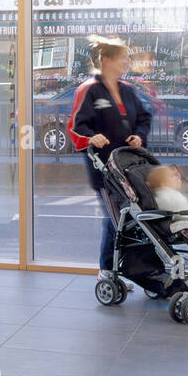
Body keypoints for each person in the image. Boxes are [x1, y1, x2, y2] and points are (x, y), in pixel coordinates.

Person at [68, 36, 152, 283]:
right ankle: (107, 269)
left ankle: (136, 268)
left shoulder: (127, 90)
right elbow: (76, 126)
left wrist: (139, 135)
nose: (127, 62)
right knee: (115, 217)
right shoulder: (89, 90)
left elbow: (144, 118)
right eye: (122, 58)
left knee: (133, 216)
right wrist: (92, 137)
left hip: (129, 166)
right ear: (106, 61)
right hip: (104, 168)